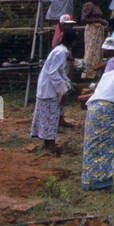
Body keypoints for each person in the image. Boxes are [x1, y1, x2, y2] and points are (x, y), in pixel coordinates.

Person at [81, 50, 114, 191]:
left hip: (93, 108)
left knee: (93, 145)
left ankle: (89, 181)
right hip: (105, 110)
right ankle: (103, 184)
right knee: (106, 146)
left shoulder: (111, 73)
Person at [30, 27, 77, 156]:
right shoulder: (60, 52)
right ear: (72, 42)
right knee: (50, 117)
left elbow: (60, 71)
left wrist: (67, 82)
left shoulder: (60, 50)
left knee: (48, 116)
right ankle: (50, 145)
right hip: (49, 89)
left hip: (48, 86)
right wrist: (62, 90)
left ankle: (48, 143)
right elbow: (53, 72)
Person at [81, 0, 108, 80]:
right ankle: (88, 73)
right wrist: (98, 20)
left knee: (98, 52)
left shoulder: (97, 5)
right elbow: (84, 19)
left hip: (98, 30)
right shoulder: (89, 5)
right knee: (90, 51)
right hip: (92, 29)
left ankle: (96, 73)